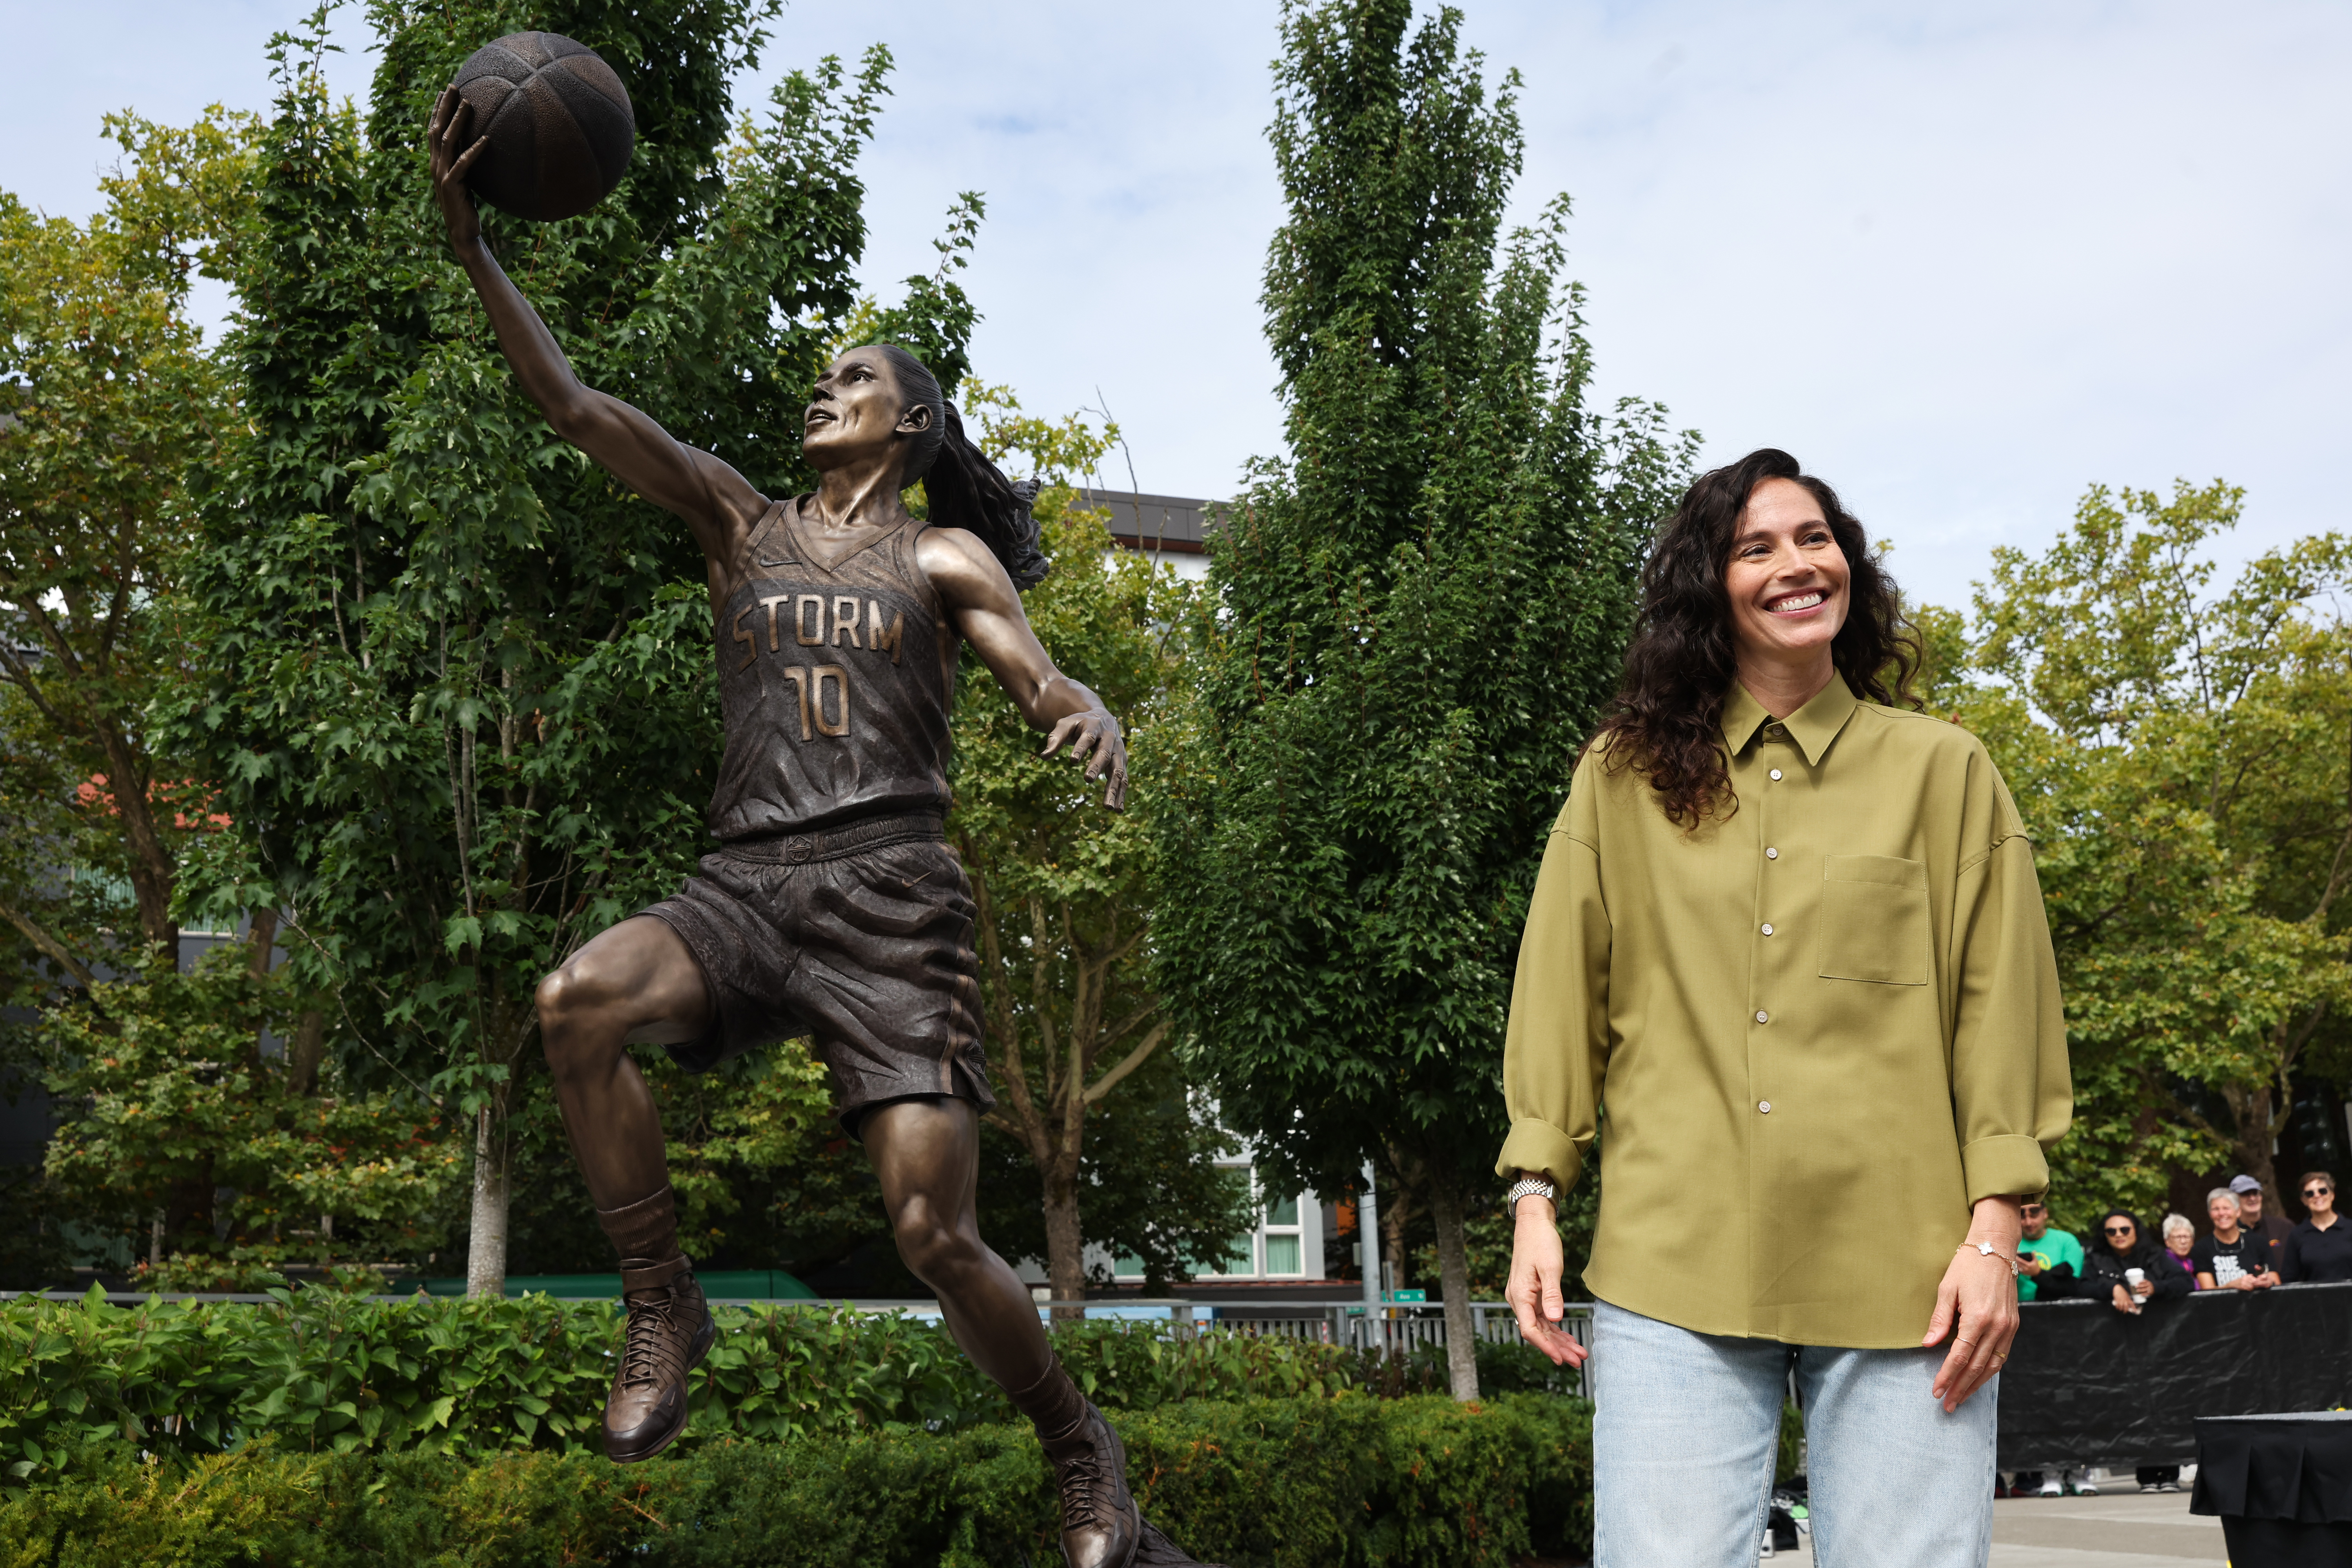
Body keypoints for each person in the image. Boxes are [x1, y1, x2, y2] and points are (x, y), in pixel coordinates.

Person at [427, 92, 1166, 1568]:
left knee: (928, 1232)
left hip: (893, 899)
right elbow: (576, 405)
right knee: (575, 1000)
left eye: (852, 379)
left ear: (912, 420)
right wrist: (473, 251)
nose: (821, 393)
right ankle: (661, 1299)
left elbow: (1035, 670)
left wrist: (1084, 711)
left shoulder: (943, 550)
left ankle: (1084, 1457)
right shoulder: (736, 519)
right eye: (821, 380)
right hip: (746, 887)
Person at [1496, 450, 2071, 1568]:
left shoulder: (1944, 773)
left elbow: (2002, 1014)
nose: (1796, 564)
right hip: (1674, 1269)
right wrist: (1534, 1198)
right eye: (1756, 547)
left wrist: (1997, 1237)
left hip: (1913, 1283)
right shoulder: (1620, 781)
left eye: (1815, 538)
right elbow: (1564, 991)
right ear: (1708, 589)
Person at [2078, 1212, 2189, 1314]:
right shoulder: (2096, 1259)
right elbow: (2082, 1287)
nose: (2118, 1235)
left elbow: (2185, 1281)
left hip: (2157, 1325)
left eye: (2125, 1230)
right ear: (2105, 1235)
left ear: (2136, 1230)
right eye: (2111, 1231)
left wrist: (2155, 1288)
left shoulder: (2154, 1255)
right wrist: (2113, 1289)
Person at [2191, 1189, 2276, 1291]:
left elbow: (2277, 1284)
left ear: (2238, 1212)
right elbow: (2207, 1293)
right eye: (2216, 1209)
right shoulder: (2201, 1249)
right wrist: (2233, 1286)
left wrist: (2268, 1283)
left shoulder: (2259, 1243)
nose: (2222, 1213)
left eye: (2227, 1208)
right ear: (2210, 1214)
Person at [2282, 1172, 2352, 1284]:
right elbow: (2289, 1279)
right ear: (2304, 1200)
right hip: (2313, 1300)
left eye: (2323, 1191)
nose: (2317, 1195)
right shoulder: (2297, 1234)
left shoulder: (2350, 1228)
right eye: (2310, 1194)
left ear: (2332, 1195)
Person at [2016, 1199, 2083, 1303]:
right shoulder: (2009, 1244)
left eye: (2034, 1215)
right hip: (2017, 1310)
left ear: (2045, 1213)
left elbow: (2073, 1286)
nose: (2029, 1223)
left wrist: (2038, 1274)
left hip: (2059, 1311)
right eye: (2022, 1216)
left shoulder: (2067, 1241)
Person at [2231, 1174, 2296, 1278]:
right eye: (2245, 1194)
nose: (2252, 1198)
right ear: (2234, 1201)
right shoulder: (2230, 1233)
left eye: (2255, 1193)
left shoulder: (2284, 1227)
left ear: (2261, 1197)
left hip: (2287, 1289)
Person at [2159, 1214, 2198, 1282]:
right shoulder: (2162, 1264)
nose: (2183, 1242)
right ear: (2167, 1241)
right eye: (2178, 1237)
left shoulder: (2194, 1263)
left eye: (2187, 1237)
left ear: (2193, 1241)